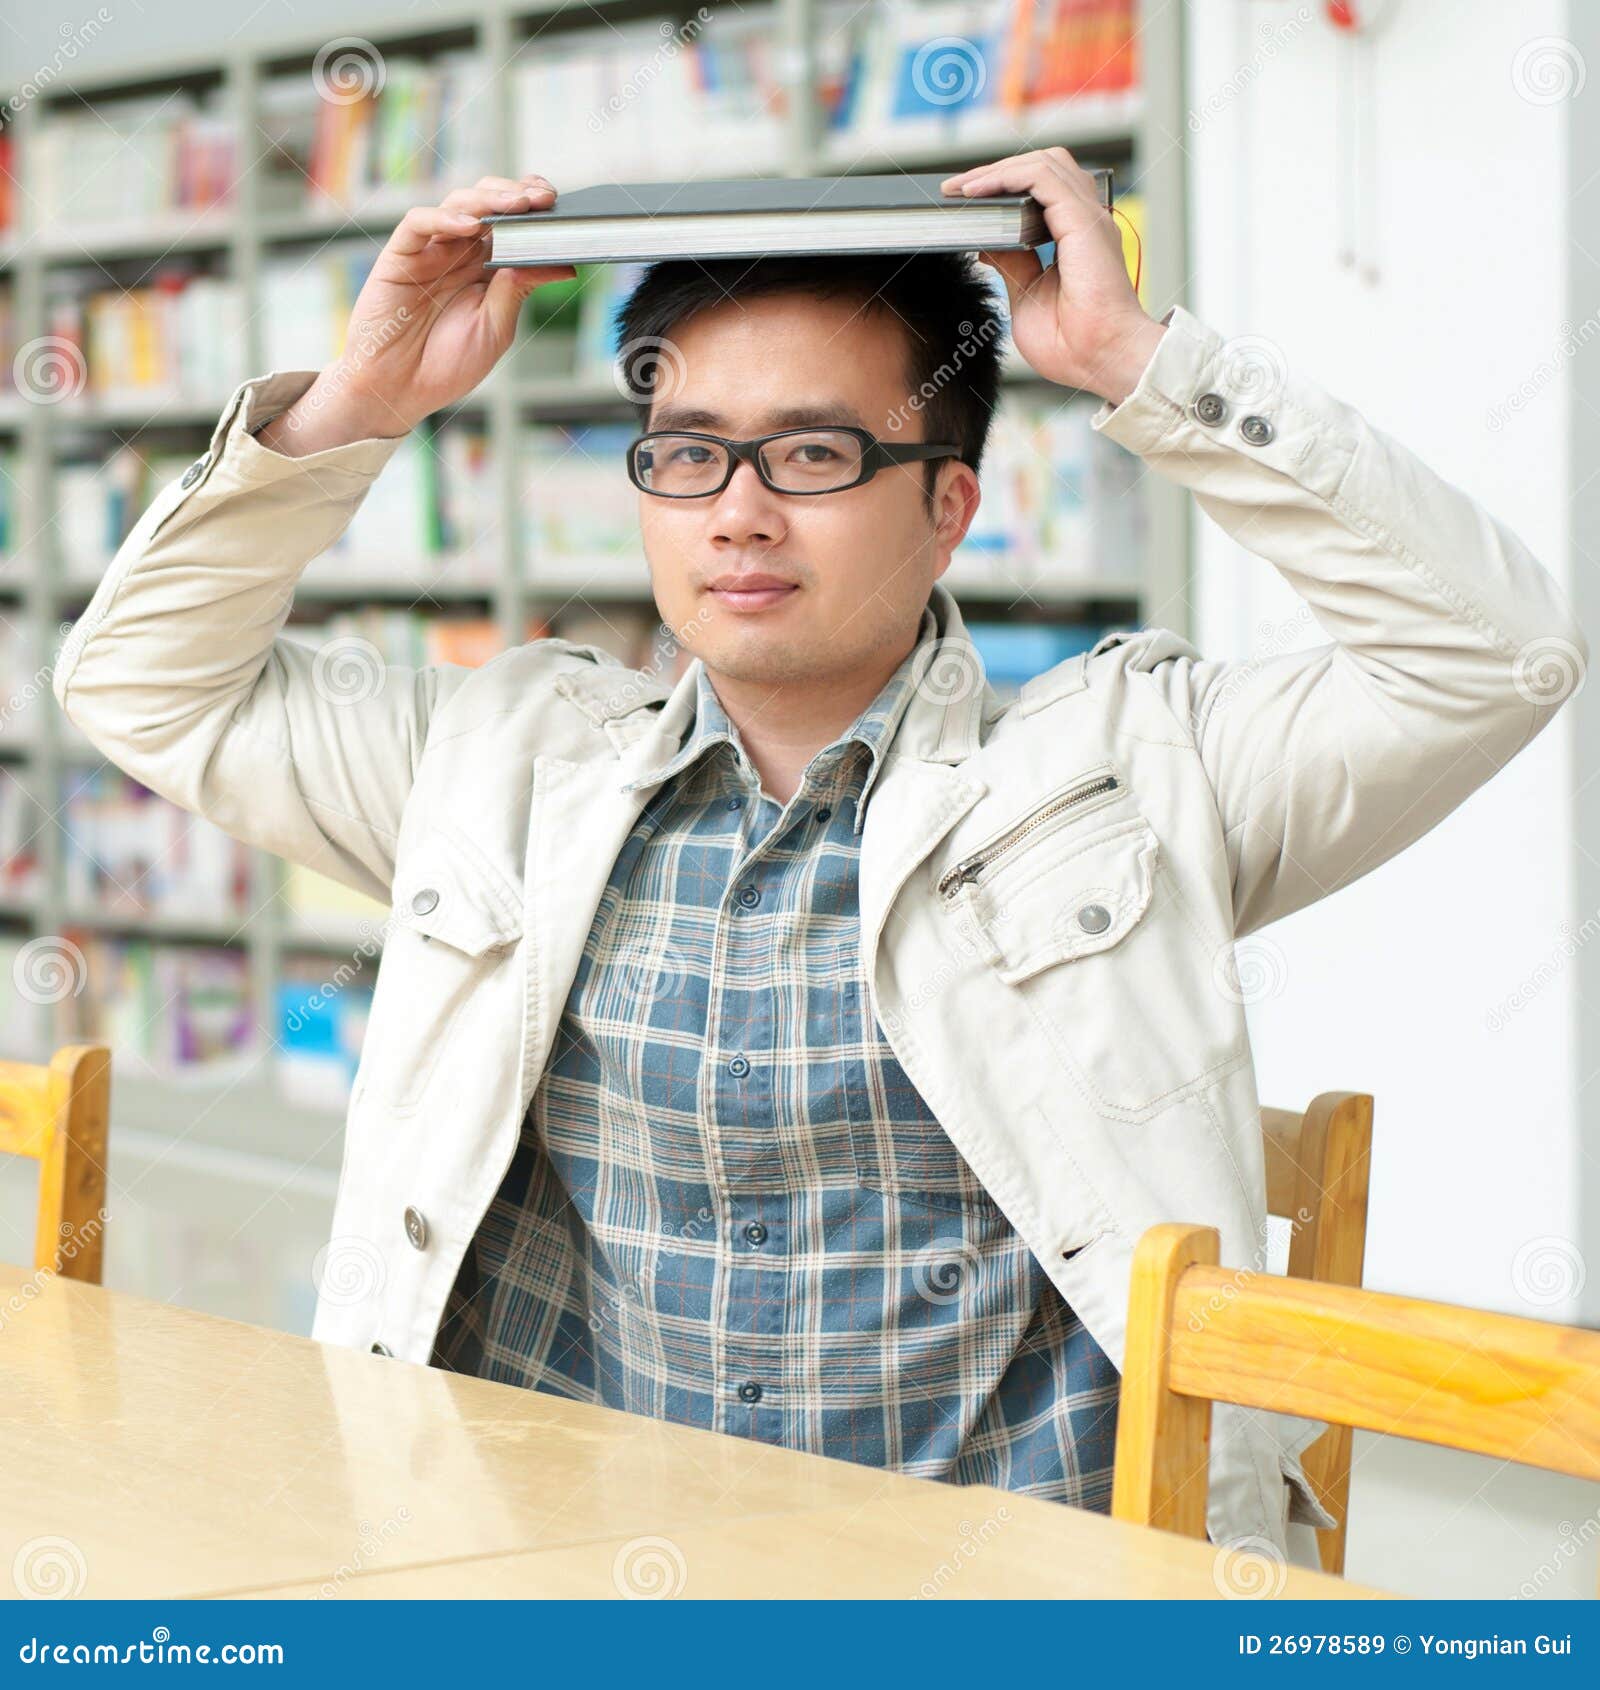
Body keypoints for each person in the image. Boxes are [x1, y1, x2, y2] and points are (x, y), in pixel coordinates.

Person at [53, 151, 1586, 1561]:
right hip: (563, 1566)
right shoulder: (501, 761)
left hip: (1000, 1592)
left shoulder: (1132, 772)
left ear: (949, 506)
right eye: (690, 455)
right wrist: (357, 403)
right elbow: (139, 684)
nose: (739, 514)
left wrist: (1142, 362)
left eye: (816, 453)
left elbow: (1499, 652)